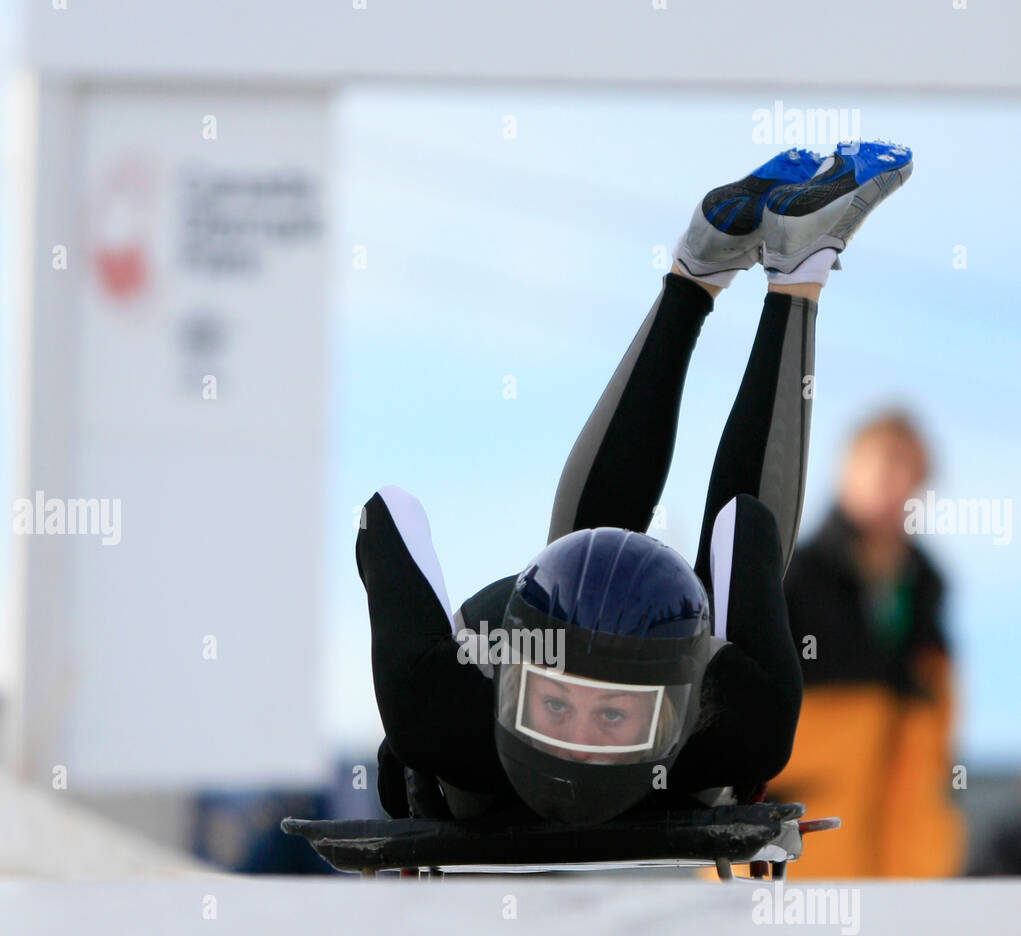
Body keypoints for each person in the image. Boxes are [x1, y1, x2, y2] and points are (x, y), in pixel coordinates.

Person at [355, 140, 913, 827]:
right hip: (536, 648)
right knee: (727, 583)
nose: (579, 749)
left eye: (610, 716)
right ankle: (763, 270)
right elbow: (746, 542)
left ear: (675, 712)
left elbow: (385, 524)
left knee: (619, 567)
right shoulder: (740, 726)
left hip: (526, 643)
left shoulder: (437, 716)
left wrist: (414, 740)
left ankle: (752, 268)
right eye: (561, 707)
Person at [771, 411, 966, 876]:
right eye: (883, 466)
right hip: (797, 859)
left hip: (907, 866)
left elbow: (936, 735)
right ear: (847, 471)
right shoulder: (788, 574)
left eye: (909, 472)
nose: (895, 485)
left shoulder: (927, 589)